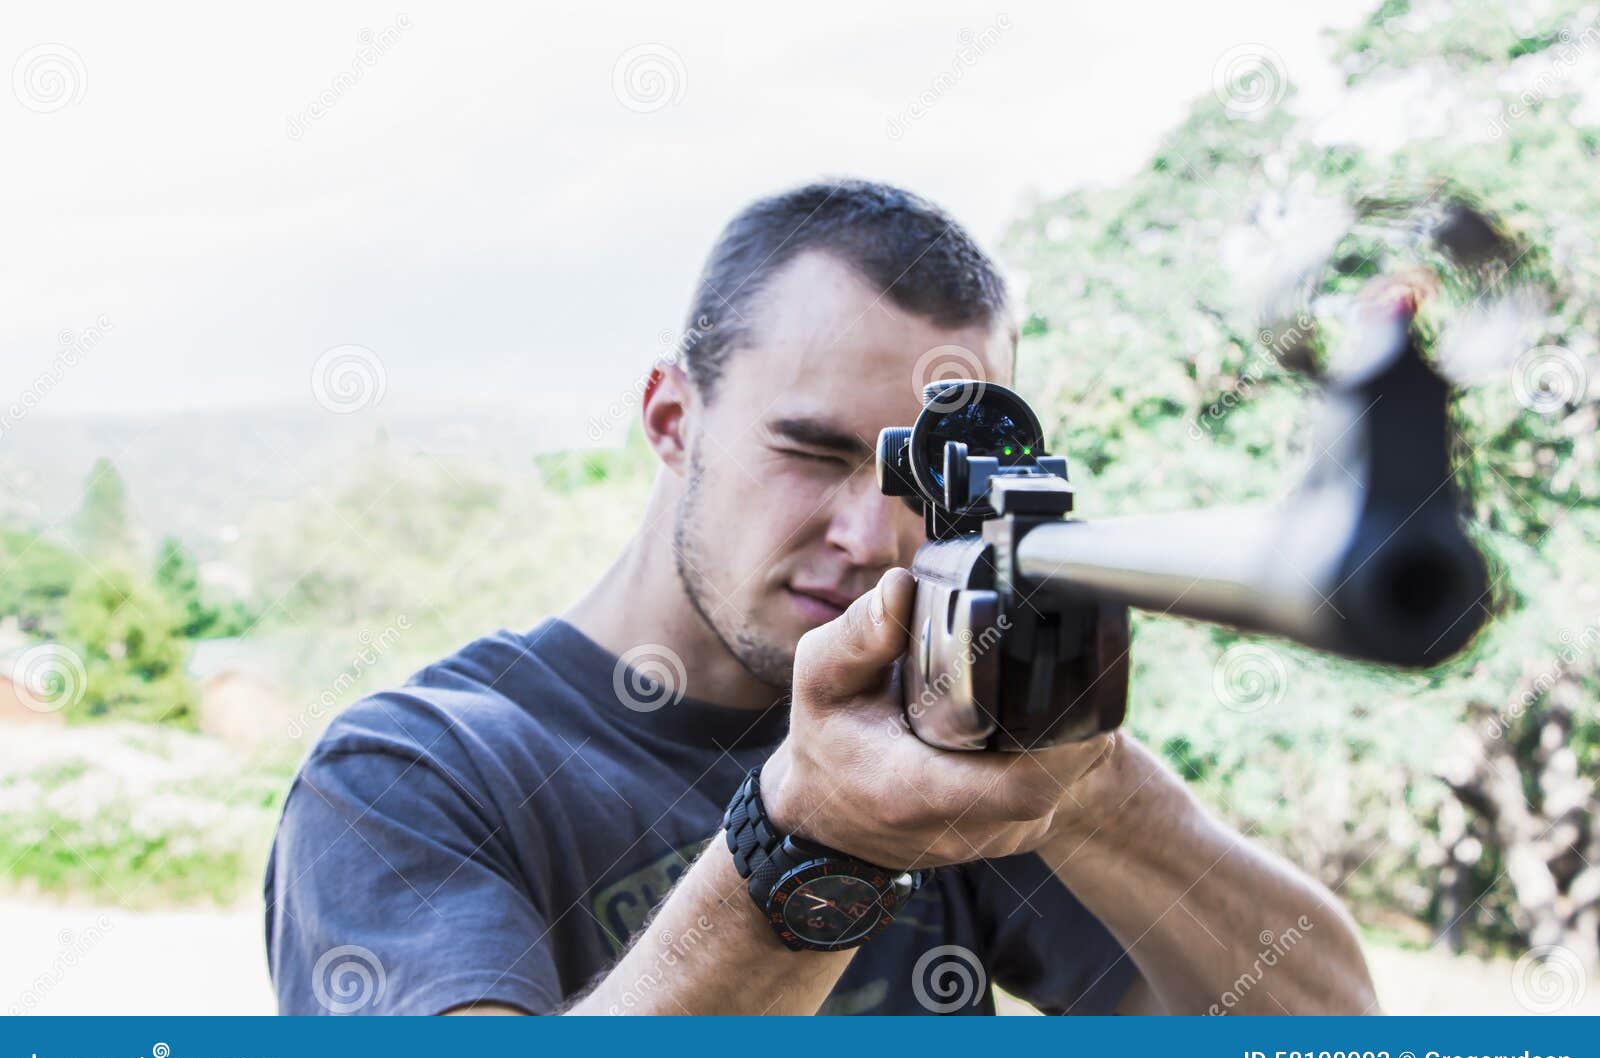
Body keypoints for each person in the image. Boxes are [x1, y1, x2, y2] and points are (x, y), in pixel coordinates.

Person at [265, 179, 1378, 1015]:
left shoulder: (950, 749)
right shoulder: (417, 771)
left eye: (919, 480)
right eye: (810, 450)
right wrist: (807, 845)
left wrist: (1093, 791)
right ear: (670, 417)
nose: (871, 532)